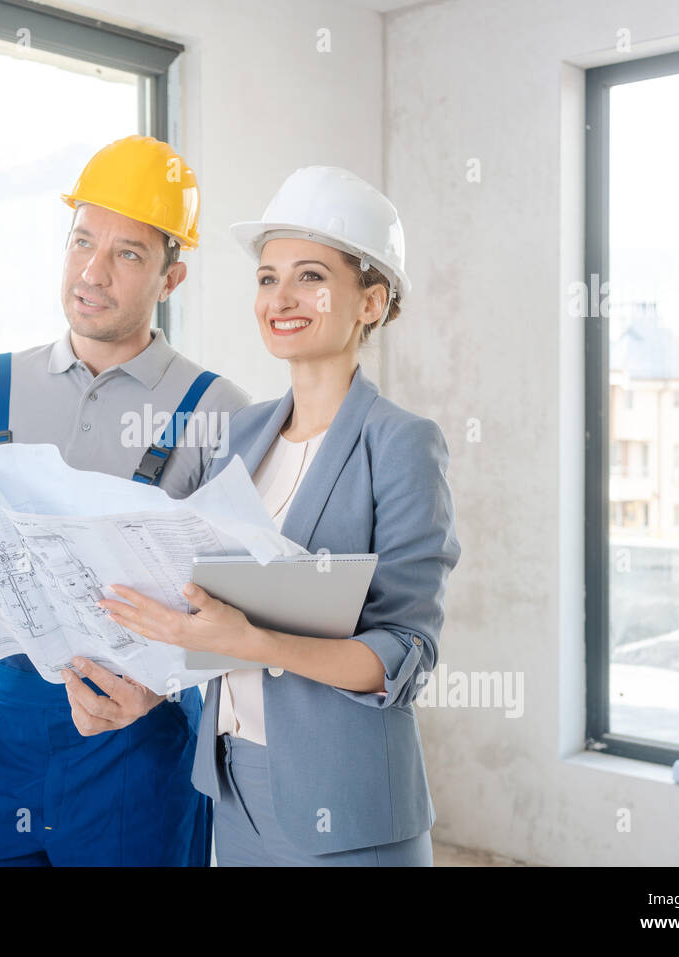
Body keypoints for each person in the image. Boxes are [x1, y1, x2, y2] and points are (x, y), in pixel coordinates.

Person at [97, 166, 462, 865]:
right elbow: (202, 604)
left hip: (348, 804)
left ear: (371, 301)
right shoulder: (241, 435)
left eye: (310, 277)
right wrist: (150, 679)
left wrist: (253, 641)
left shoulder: (400, 443)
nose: (281, 299)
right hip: (233, 789)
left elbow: (405, 656)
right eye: (267, 278)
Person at [0, 135, 251, 867]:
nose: (93, 272)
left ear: (172, 276)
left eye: (128, 253)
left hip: (138, 737)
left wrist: (159, 693)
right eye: (82, 241)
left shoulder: (219, 410)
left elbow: (244, 613)